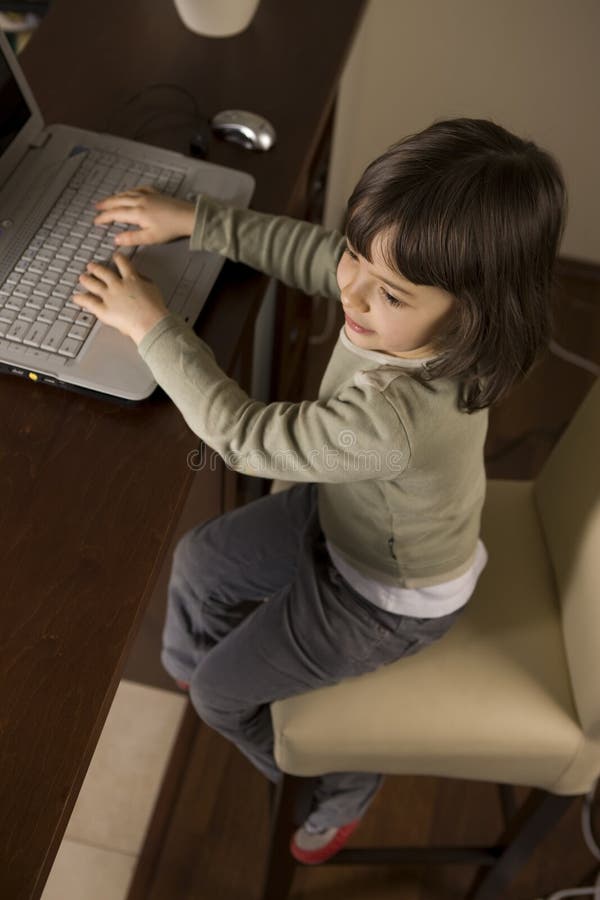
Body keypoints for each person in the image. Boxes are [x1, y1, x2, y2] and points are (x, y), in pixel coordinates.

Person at [72, 117, 567, 864]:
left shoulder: (399, 415)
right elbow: (315, 254)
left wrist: (152, 327)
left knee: (218, 697)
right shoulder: (400, 310)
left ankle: (344, 779)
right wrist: (199, 221)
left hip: (383, 597)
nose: (354, 295)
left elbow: (244, 436)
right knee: (202, 560)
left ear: (471, 314)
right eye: (356, 257)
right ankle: (205, 663)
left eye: (389, 292)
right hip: (353, 514)